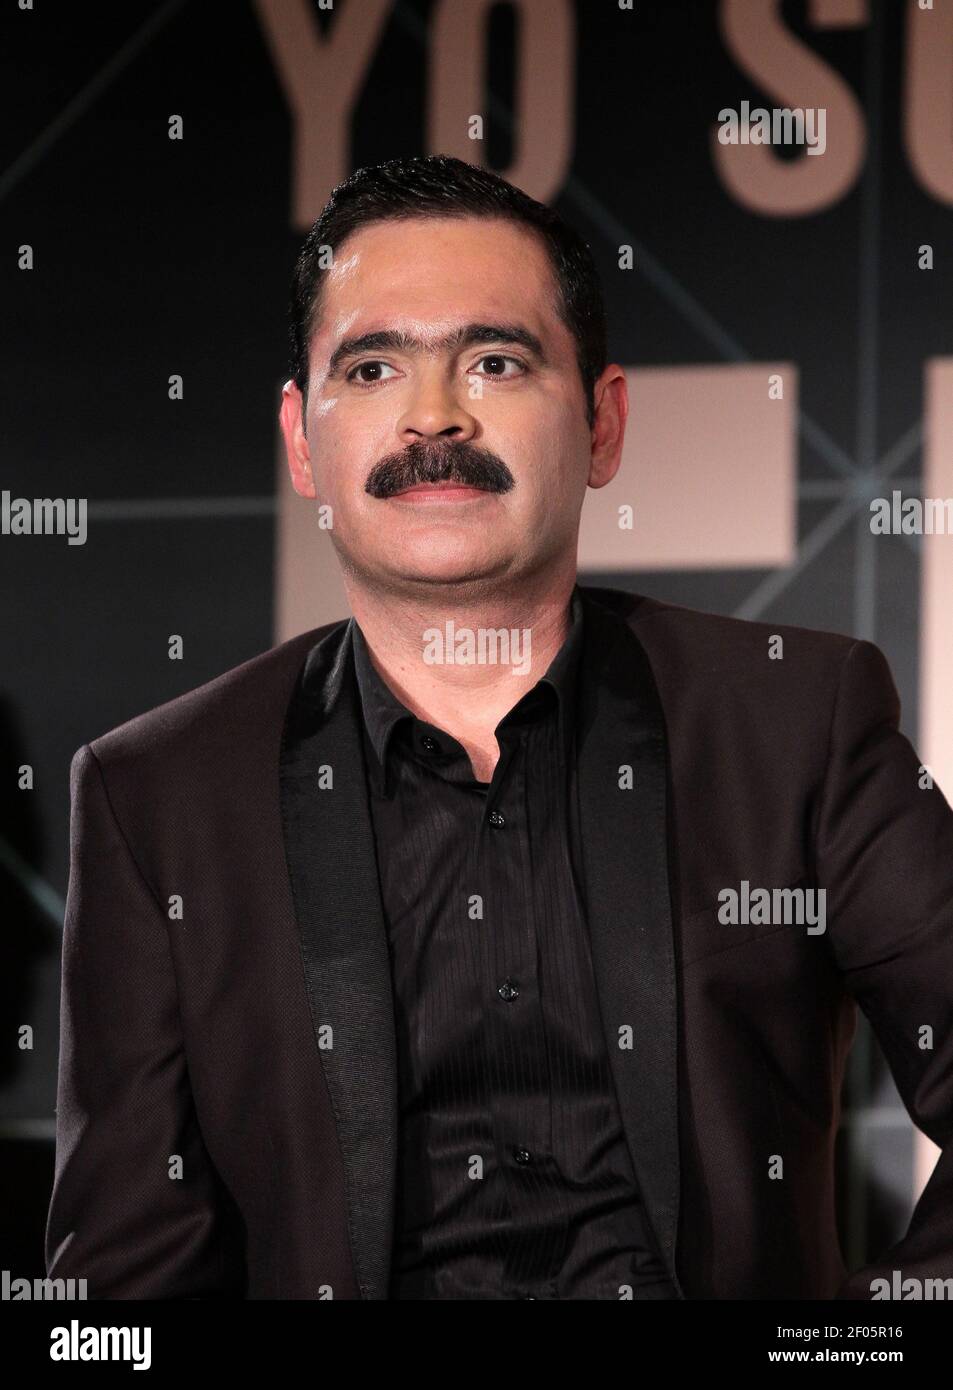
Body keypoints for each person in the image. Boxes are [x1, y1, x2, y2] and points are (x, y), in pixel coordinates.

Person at [46, 154, 953, 1300]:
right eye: (372, 366)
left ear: (602, 422)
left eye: (493, 360)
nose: (433, 415)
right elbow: (125, 1286)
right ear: (299, 440)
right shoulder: (157, 797)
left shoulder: (794, 720)